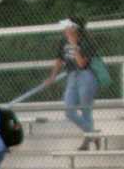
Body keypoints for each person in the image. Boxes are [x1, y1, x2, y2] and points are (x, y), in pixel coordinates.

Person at [44, 19, 106, 152]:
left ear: (74, 28)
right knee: (69, 111)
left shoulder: (86, 42)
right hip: (72, 76)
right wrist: (52, 76)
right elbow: (59, 60)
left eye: (67, 27)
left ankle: (87, 140)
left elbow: (82, 63)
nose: (64, 30)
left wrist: (73, 44)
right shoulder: (63, 41)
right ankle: (93, 134)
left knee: (85, 110)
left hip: (86, 75)